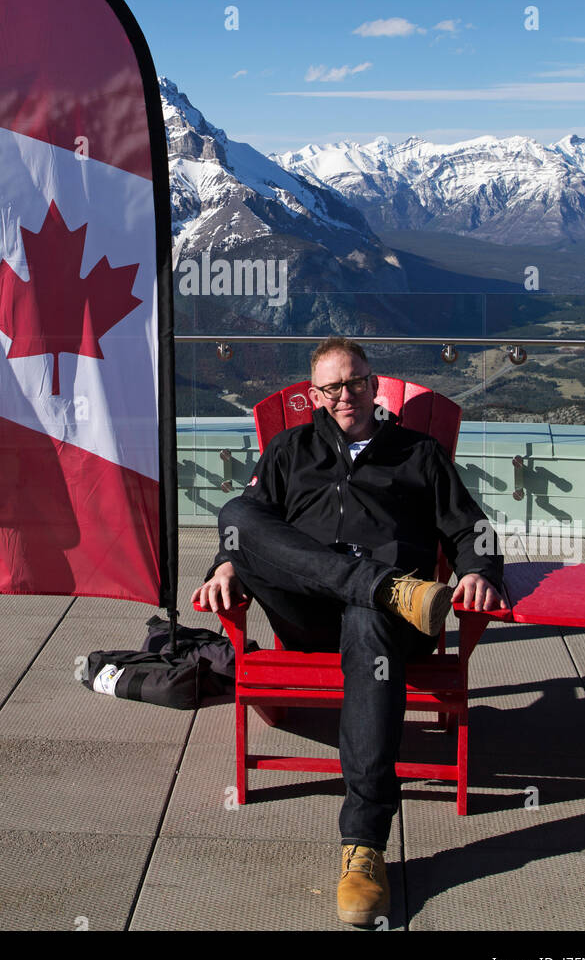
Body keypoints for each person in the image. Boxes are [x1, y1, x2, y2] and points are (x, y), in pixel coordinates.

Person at [191, 336, 507, 928]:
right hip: (309, 612)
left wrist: (479, 573)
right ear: (314, 395)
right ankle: (380, 583)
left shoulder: (420, 453)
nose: (345, 396)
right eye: (332, 387)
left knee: (368, 618)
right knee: (236, 513)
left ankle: (363, 847)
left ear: (374, 384)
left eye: (355, 382)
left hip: (394, 624)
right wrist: (226, 566)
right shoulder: (289, 450)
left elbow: (474, 530)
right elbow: (247, 526)